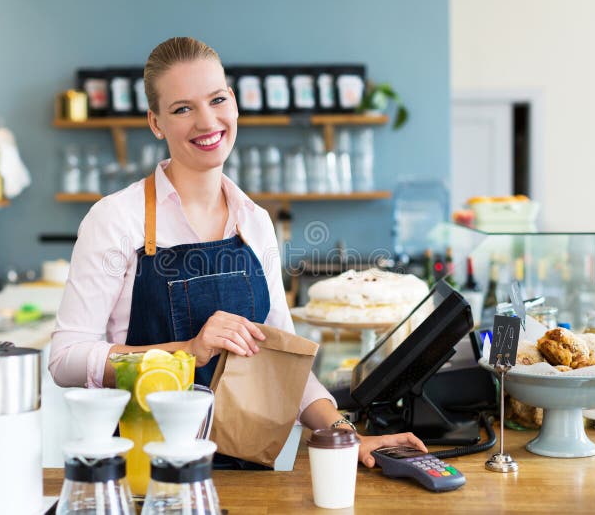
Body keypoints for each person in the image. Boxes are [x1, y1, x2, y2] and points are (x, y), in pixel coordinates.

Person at [50, 37, 427, 468]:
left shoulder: (254, 222)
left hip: (244, 472)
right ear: (156, 123)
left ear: (234, 102)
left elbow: (283, 362)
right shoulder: (116, 219)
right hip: (146, 472)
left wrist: (346, 435)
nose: (207, 122)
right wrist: (185, 353)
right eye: (182, 108)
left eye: (217, 100)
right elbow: (65, 360)